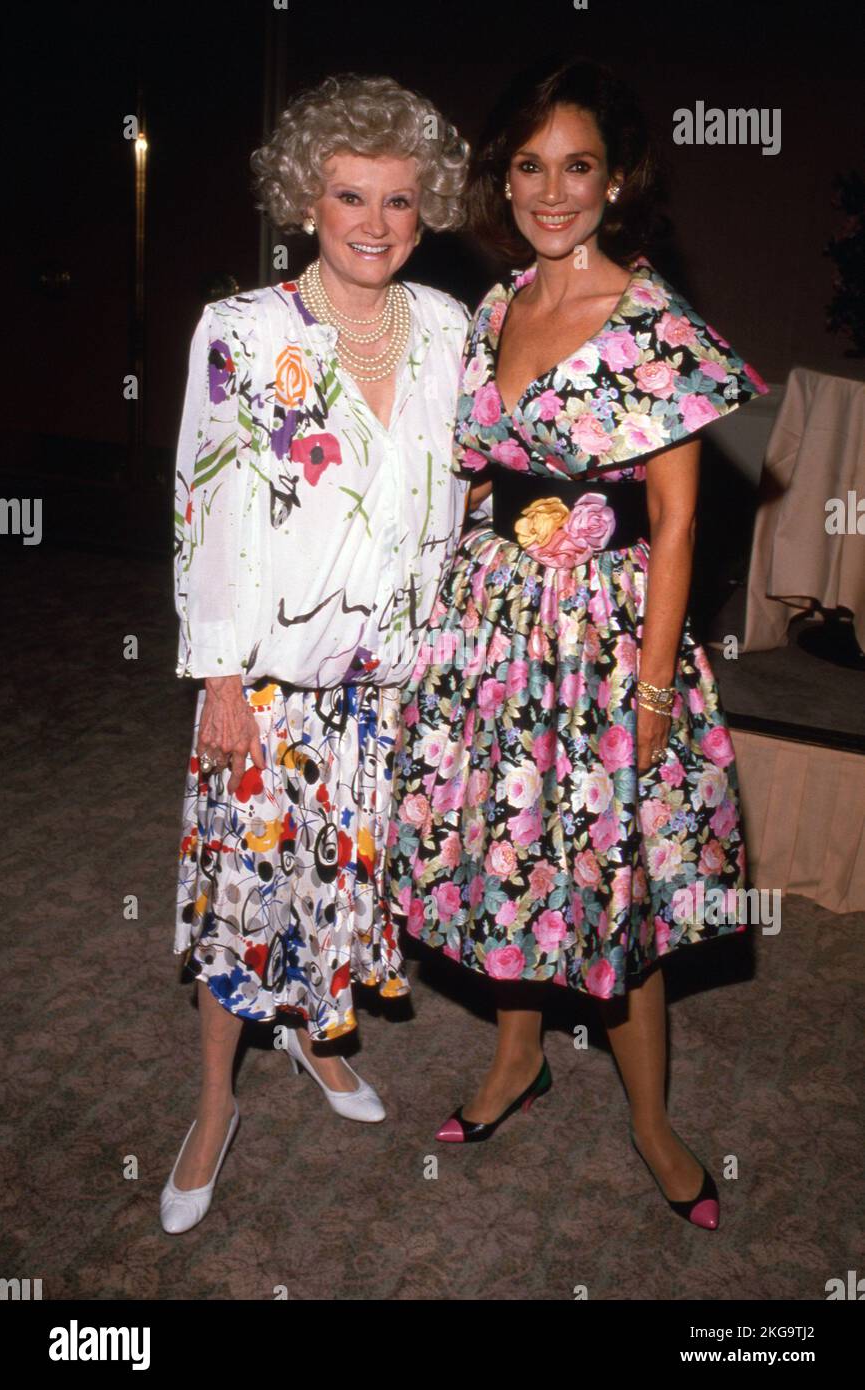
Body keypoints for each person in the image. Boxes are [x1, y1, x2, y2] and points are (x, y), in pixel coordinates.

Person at [385, 58, 768, 1229]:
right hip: (495, 625)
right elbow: (472, 476)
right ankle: (516, 1060)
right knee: (507, 858)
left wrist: (654, 690)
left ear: (616, 180)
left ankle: (652, 1120)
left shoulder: (653, 325)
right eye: (529, 167)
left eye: (577, 166)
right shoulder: (495, 308)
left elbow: (678, 520)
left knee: (612, 886)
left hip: (605, 637)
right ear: (504, 181)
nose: (552, 192)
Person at [161, 73, 471, 1234]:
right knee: (243, 900)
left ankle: (312, 1037)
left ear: (424, 206)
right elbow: (205, 506)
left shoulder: (447, 330)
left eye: (399, 200)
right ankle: (209, 1103)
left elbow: (466, 489)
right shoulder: (242, 331)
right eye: (351, 196)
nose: (376, 224)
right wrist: (220, 674)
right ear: (307, 200)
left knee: (341, 889)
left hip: (387, 681)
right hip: (267, 681)